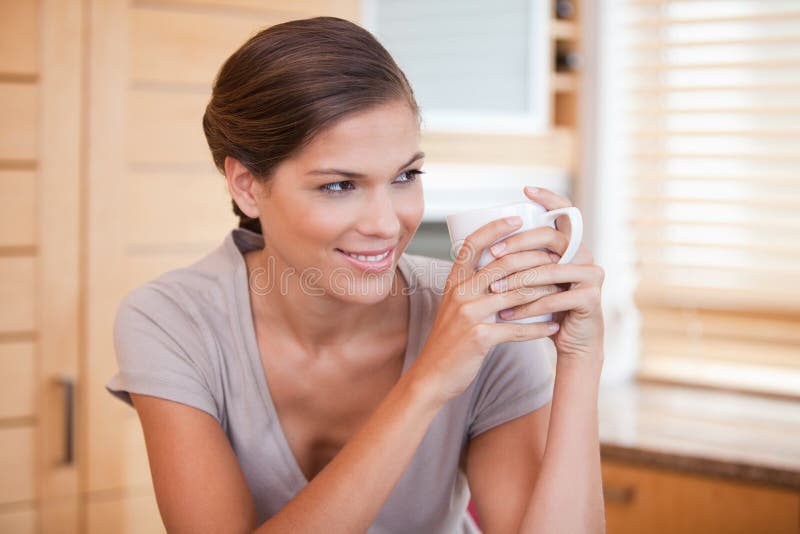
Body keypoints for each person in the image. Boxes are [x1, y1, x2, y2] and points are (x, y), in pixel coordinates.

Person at [106, 16, 606, 534]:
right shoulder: (172, 321)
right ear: (247, 185)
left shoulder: (481, 317)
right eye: (340, 185)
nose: (387, 224)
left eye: (405, 177)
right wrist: (427, 382)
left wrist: (580, 359)